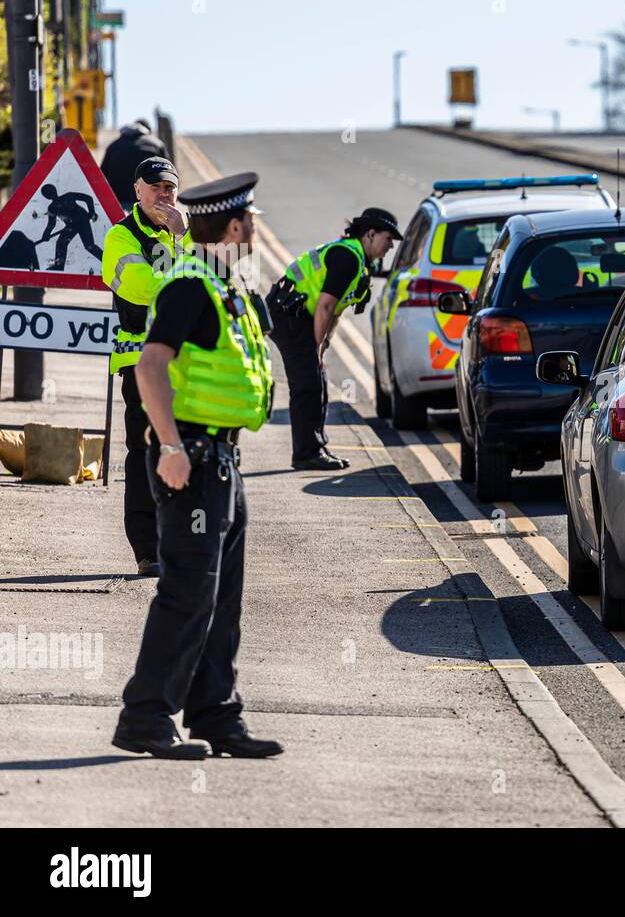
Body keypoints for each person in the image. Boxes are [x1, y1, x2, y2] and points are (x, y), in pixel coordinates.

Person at [113, 172, 281, 760]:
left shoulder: (223, 284)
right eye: (252, 220)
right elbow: (149, 365)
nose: (256, 228)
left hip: (224, 460)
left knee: (221, 598)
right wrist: (172, 448)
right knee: (186, 594)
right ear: (233, 226)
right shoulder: (189, 286)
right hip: (193, 459)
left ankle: (216, 715)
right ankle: (146, 717)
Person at [101, 157, 188, 576]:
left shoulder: (185, 237)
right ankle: (147, 549)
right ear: (138, 190)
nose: (163, 195)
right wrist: (181, 257)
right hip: (141, 365)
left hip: (186, 366)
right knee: (145, 453)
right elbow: (141, 289)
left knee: (185, 452)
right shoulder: (120, 236)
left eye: (170, 188)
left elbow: (215, 282)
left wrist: (182, 243)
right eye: (155, 187)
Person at [267, 208, 401, 469]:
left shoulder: (359, 262)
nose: (390, 247)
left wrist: (323, 346)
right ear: (370, 234)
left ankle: (315, 447)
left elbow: (336, 311)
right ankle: (306, 454)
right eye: (388, 239)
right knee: (308, 384)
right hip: (288, 314)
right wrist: (316, 347)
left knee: (318, 381)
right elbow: (325, 306)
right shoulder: (348, 258)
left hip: (300, 315)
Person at [100, 120, 170, 211]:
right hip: (148, 201)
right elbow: (168, 173)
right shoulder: (156, 145)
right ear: (148, 130)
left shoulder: (114, 146)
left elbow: (102, 176)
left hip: (119, 202)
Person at [36, 183, 103, 270]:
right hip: (71, 225)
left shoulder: (68, 196)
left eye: (50, 192)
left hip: (82, 220)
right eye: (47, 193)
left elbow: (88, 198)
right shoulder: (52, 208)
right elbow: (51, 224)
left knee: (89, 246)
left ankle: (108, 261)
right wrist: (46, 234)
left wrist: (91, 212)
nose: (50, 194)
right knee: (61, 243)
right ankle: (59, 266)